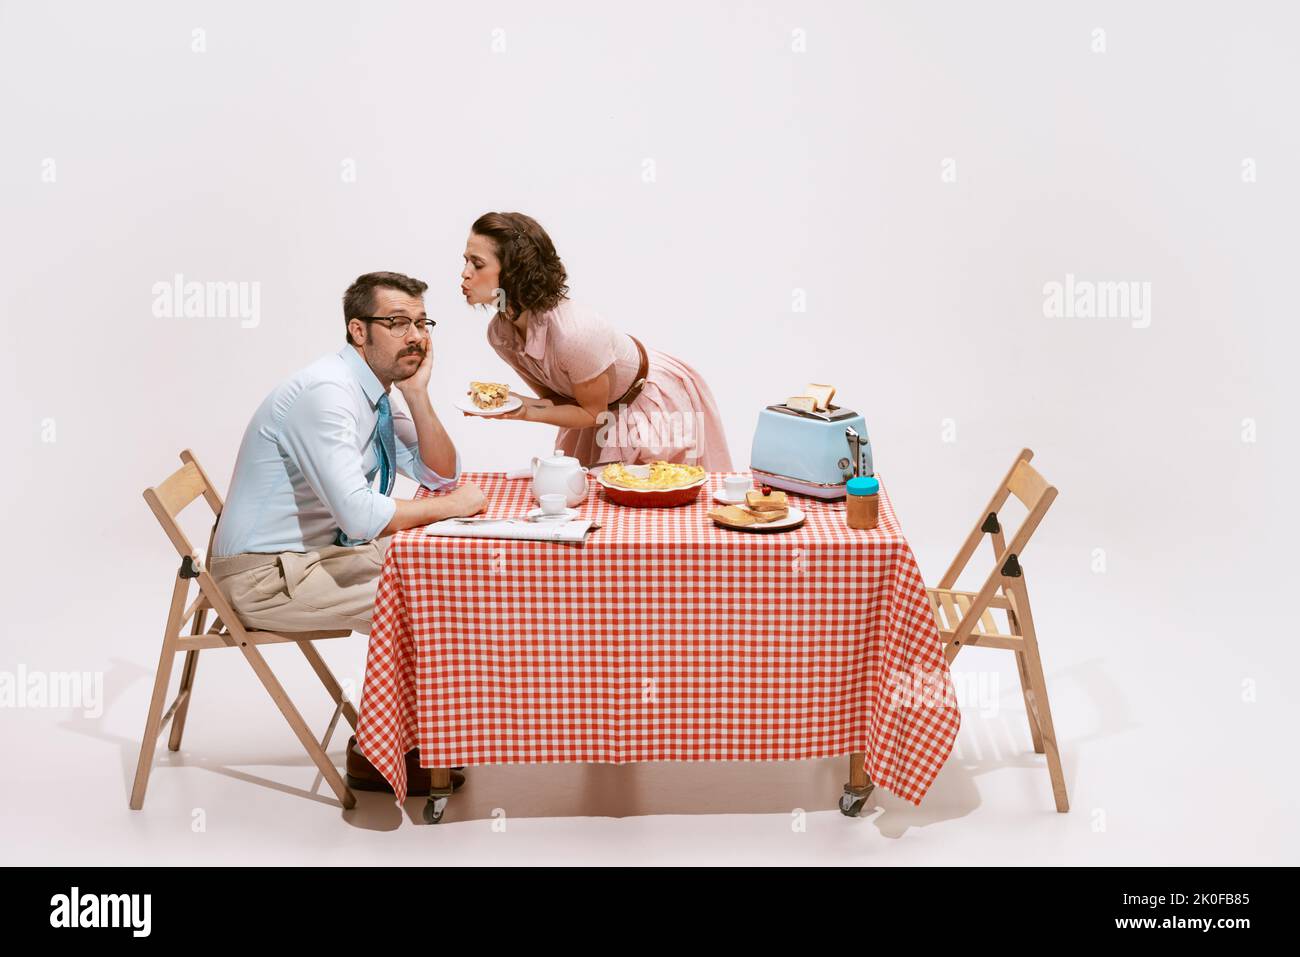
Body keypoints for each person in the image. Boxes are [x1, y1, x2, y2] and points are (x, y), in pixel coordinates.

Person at [210, 270, 485, 636]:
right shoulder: (329, 393)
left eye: (422, 324)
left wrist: (417, 394)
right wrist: (453, 506)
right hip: (263, 579)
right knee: (442, 601)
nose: (417, 337)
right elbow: (358, 516)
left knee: (451, 563)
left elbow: (440, 475)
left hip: (314, 558)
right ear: (359, 331)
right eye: (398, 323)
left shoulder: (372, 389)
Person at [460, 211, 732, 469]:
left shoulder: (575, 333)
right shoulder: (500, 336)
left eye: (478, 263)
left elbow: (593, 413)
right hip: (599, 411)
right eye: (466, 261)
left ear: (513, 272)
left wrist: (523, 410)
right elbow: (561, 400)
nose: (465, 273)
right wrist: (510, 404)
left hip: (648, 401)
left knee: (655, 501)